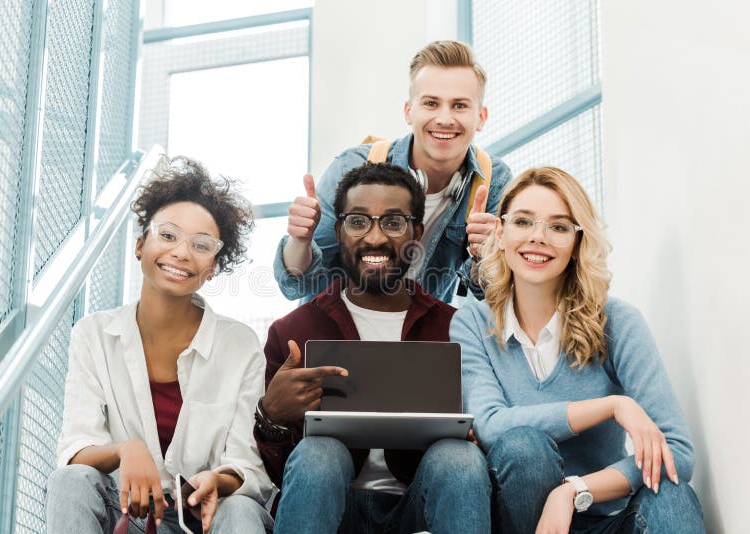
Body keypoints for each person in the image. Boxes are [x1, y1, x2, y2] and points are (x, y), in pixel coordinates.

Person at [450, 167, 704, 533]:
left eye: (558, 226)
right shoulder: (472, 322)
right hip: (523, 518)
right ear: (500, 234)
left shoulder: (617, 321)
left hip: (607, 517)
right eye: (523, 222)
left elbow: (677, 451)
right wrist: (612, 406)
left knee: (672, 494)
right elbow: (489, 424)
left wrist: (573, 490)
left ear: (577, 241)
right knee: (524, 447)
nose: (538, 238)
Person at [255, 163, 491, 534]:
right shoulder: (293, 333)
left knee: (460, 457)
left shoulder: (456, 329)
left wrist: (481, 434)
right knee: (320, 453)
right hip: (331, 511)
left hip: (418, 506)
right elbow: (270, 476)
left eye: (394, 223)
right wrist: (270, 416)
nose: (376, 238)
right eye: (358, 221)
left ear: (415, 233)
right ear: (339, 231)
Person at [46, 157, 274, 534]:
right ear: (140, 245)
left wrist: (220, 480)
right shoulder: (93, 335)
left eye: (201, 245)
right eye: (167, 235)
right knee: (69, 482)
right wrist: (126, 449)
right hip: (129, 514)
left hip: (205, 520)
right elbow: (76, 446)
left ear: (212, 268)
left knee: (241, 512)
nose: (182, 253)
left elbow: (246, 463)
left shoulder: (239, 345)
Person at [275, 40, 512, 304]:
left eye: (459, 105)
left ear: (481, 117)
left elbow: (494, 295)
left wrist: (489, 257)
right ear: (409, 112)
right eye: (431, 103)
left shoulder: (492, 181)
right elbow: (297, 285)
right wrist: (300, 241)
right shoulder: (352, 167)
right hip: (335, 340)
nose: (445, 118)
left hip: (416, 341)